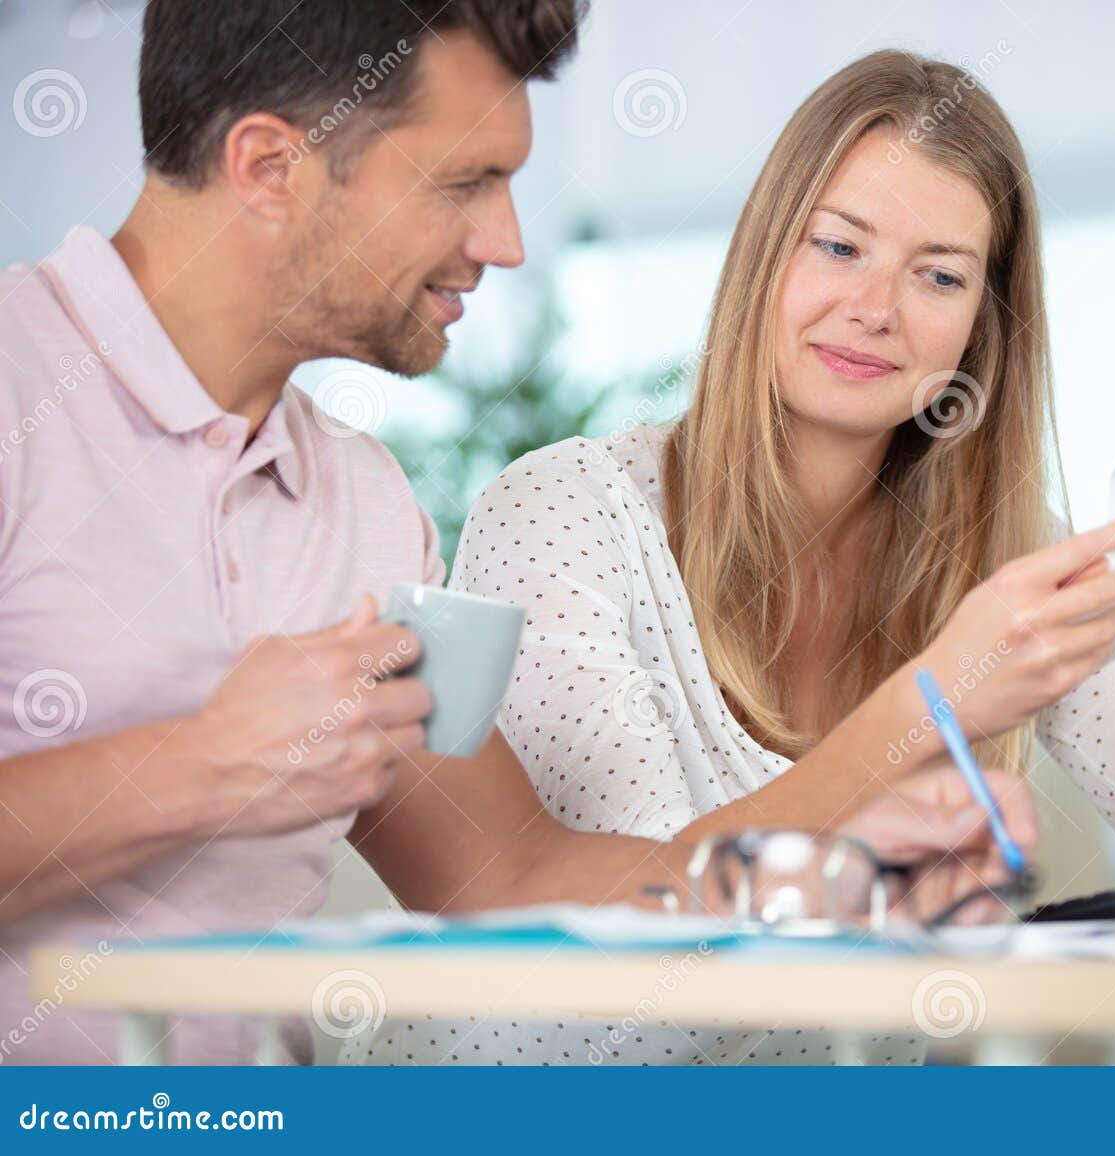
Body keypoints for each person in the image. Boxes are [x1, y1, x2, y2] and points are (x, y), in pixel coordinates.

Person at [0, 3, 1034, 1066]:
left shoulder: (359, 507)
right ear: (270, 166)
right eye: (464, 182)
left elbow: (511, 878)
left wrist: (832, 868)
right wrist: (206, 762)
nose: (506, 241)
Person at [410, 48, 1115, 1065]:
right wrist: (936, 699)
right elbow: (659, 941)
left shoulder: (1008, 565)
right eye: (839, 247)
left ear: (982, 328)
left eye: (938, 275)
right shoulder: (565, 511)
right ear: (766, 253)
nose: (876, 308)